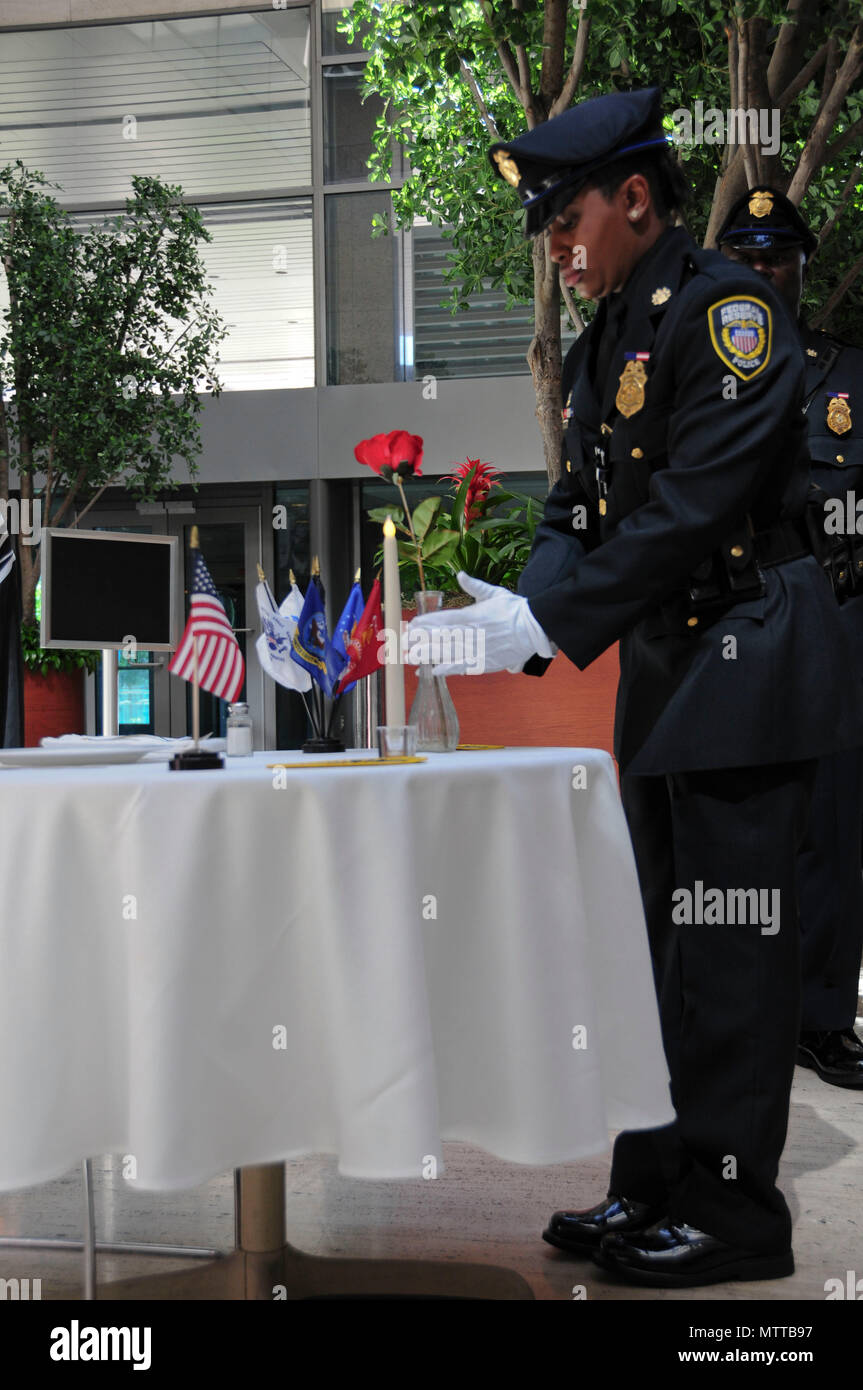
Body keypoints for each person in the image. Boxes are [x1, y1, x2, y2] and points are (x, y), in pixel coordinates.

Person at [408, 86, 863, 1288]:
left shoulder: (726, 319)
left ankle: (734, 1212)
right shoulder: (612, 330)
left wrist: (553, 617)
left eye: (566, 221)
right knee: (649, 949)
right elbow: (576, 504)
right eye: (546, 228)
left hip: (744, 665)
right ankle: (651, 1181)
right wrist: (521, 622)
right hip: (670, 676)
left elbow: (688, 511)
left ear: (634, 198)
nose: (557, 248)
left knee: (726, 953)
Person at [717, 187, 863, 1089]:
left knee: (832, 830)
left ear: (801, 268)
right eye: (748, 255)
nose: (764, 269)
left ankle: (820, 1018)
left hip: (836, 627)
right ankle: (738, 1023)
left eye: (778, 256)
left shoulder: (848, 375)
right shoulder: (696, 373)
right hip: (726, 628)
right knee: (731, 836)